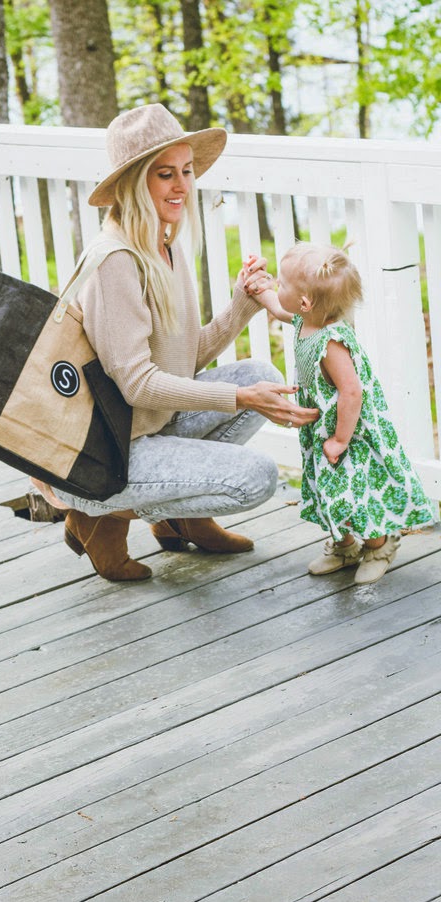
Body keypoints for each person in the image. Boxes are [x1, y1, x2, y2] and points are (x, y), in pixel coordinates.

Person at [39, 103, 319, 583]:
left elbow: (181, 360)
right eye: (164, 174)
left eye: (187, 171)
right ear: (132, 183)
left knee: (261, 376)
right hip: (107, 450)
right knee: (258, 477)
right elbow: (138, 385)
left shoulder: (164, 244)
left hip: (146, 427)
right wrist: (235, 398)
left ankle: (179, 518)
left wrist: (240, 307)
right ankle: (99, 515)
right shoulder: (115, 262)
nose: (182, 186)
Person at [257, 240, 434, 584]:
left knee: (356, 493)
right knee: (328, 491)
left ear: (305, 302)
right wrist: (261, 291)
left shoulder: (332, 342)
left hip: (350, 434)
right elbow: (280, 310)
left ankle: (379, 545)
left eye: (281, 283)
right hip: (324, 429)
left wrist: (340, 439)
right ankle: (345, 544)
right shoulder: (305, 319)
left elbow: (352, 391)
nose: (277, 287)